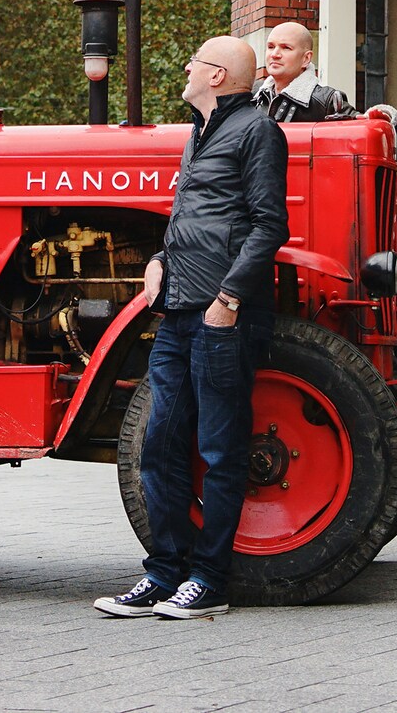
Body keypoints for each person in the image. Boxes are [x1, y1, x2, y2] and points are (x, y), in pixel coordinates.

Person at [95, 36, 287, 621]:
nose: (185, 66)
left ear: (220, 74)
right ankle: (163, 573)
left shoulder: (257, 131)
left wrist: (228, 298)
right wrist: (159, 260)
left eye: (195, 60)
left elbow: (268, 224)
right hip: (179, 311)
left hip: (220, 316)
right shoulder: (198, 134)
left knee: (219, 448)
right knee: (159, 447)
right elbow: (193, 218)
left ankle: (209, 580)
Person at [252, 21, 397, 125]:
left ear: (306, 58)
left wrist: (384, 118)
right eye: (271, 47)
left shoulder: (327, 100)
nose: (275, 54)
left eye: (286, 48)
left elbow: (365, 124)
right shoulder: (251, 96)